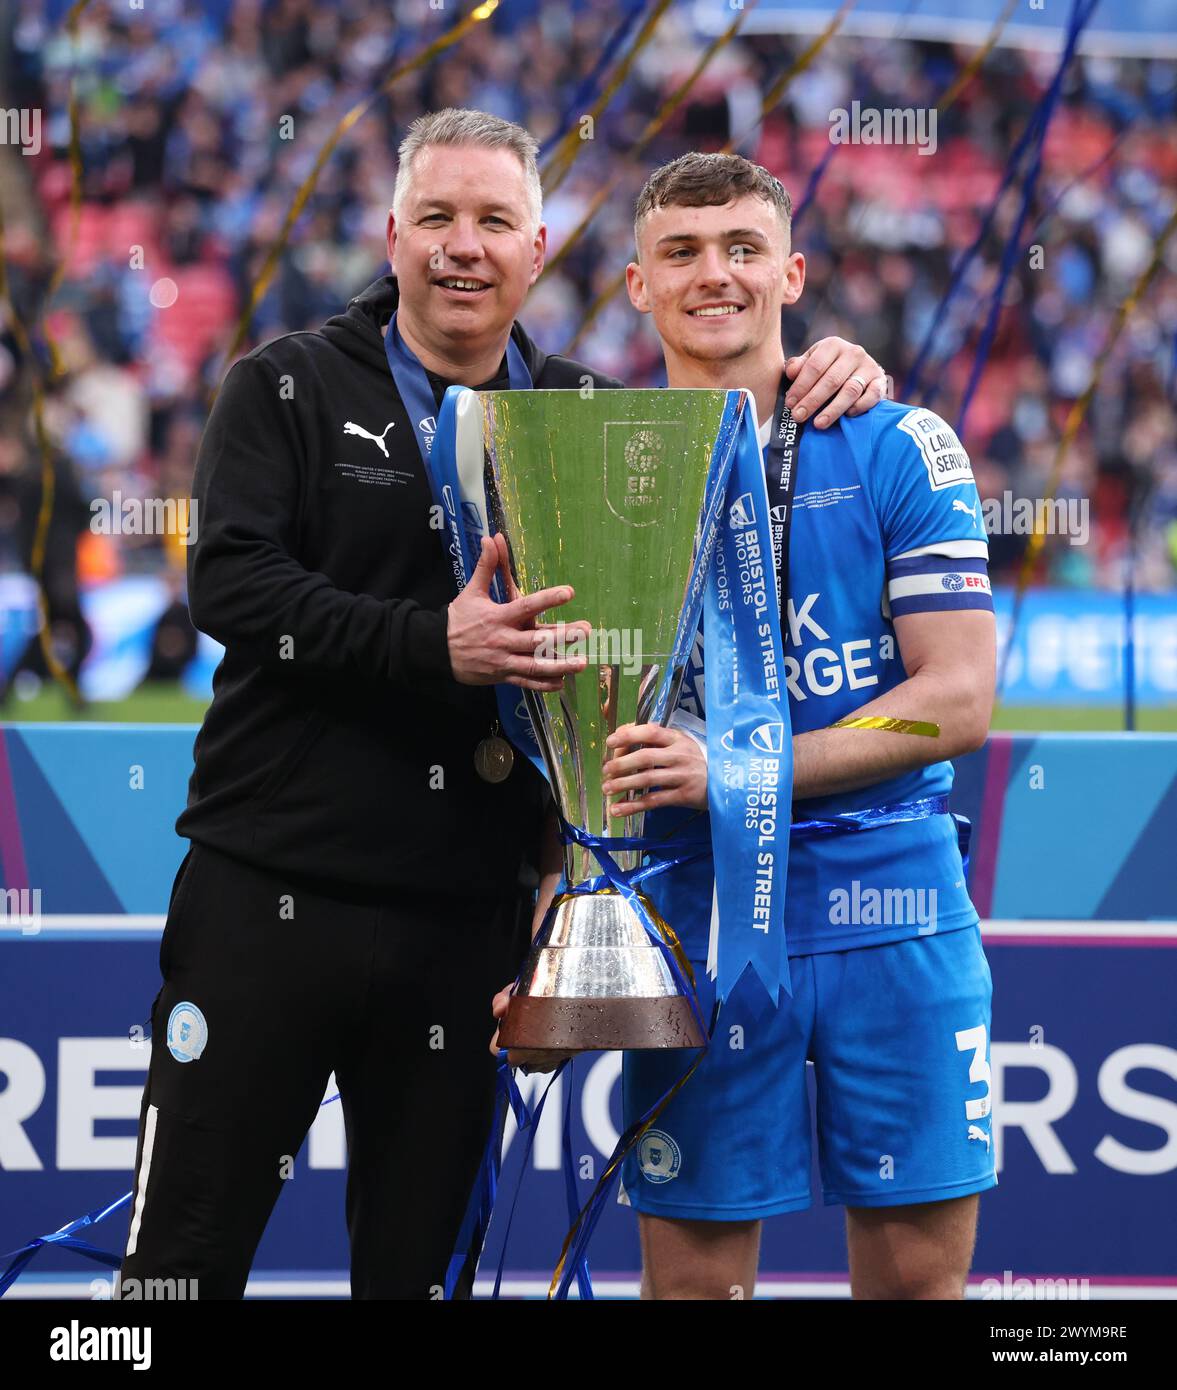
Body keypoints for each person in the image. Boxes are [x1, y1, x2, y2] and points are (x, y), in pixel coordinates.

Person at [121, 110, 886, 1301]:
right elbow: (230, 583)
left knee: (423, 1277)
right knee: (175, 1270)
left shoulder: (586, 413)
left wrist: (836, 366)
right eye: (436, 217)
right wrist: (433, 643)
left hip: (465, 927)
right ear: (392, 236)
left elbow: (714, 453)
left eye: (493, 221)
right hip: (267, 896)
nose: (462, 246)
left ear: (537, 251)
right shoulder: (285, 385)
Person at [498, 151, 997, 1300]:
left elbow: (957, 700)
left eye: (741, 249)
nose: (712, 274)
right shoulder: (597, 472)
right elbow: (575, 734)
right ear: (638, 284)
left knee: (918, 1288)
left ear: (792, 273)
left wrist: (738, 770)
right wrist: (552, 931)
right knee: (695, 1294)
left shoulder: (895, 444)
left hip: (892, 913)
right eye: (679, 252)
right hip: (694, 920)